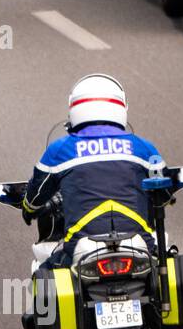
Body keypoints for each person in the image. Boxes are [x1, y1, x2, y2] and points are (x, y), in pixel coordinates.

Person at [21, 73, 166, 269]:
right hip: (140, 244)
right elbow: (164, 192)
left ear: (74, 109)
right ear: (121, 107)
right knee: (165, 264)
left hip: (80, 247)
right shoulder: (143, 148)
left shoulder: (60, 150)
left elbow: (35, 196)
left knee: (44, 272)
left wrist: (28, 210)